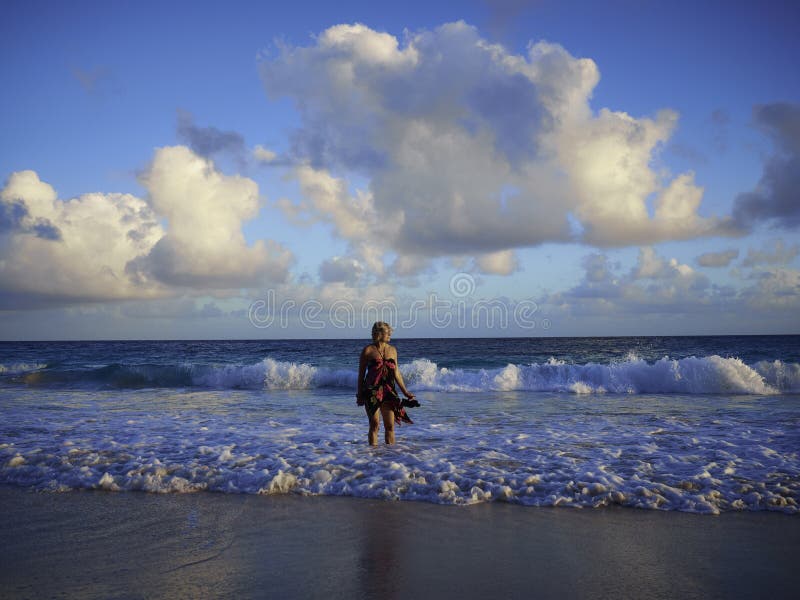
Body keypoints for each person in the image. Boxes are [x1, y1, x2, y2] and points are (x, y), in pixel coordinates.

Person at [357, 321, 419, 445]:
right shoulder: (368, 350)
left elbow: (396, 373)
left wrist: (405, 392)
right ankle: (373, 456)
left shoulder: (393, 350)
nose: (390, 334)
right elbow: (361, 375)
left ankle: (389, 458)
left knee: (390, 426)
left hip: (389, 391)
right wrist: (360, 394)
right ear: (379, 334)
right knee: (375, 425)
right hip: (371, 391)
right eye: (387, 332)